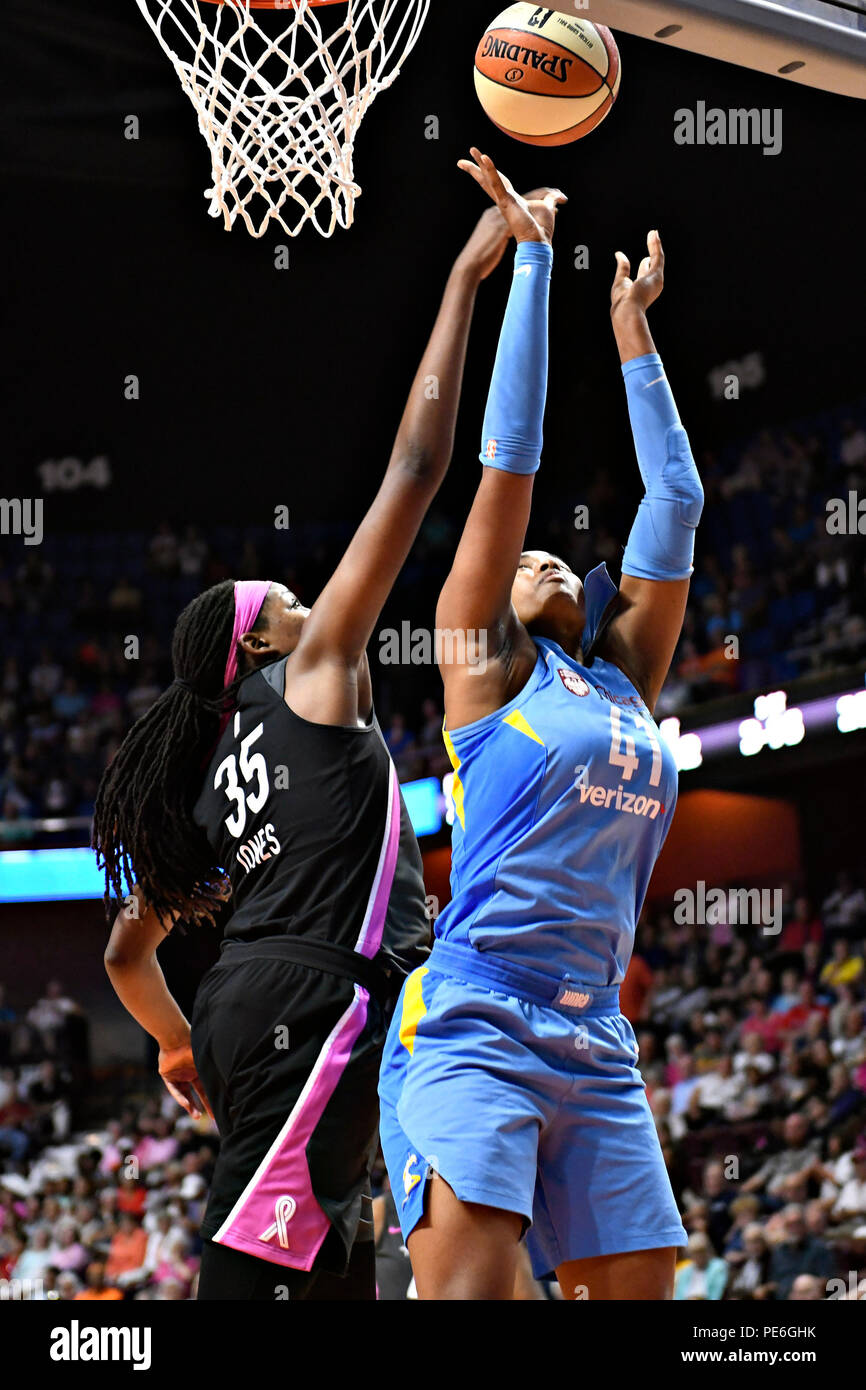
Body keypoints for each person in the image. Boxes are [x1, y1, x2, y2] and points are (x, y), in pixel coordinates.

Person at [93, 192, 548, 1302]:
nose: (313, 606)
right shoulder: (311, 672)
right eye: (290, 602)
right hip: (320, 1006)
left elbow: (123, 954)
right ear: (256, 642)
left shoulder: (205, 782)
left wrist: (177, 1045)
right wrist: (465, 279)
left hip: (257, 1007)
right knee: (251, 1267)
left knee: (334, 1270)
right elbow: (415, 470)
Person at [379, 149, 702, 1300]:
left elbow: (676, 500)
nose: (541, 558)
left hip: (595, 1037)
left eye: (554, 558)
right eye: (520, 563)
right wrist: (529, 261)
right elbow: (505, 463)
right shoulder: (481, 665)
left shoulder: (623, 676)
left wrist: (630, 329)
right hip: (476, 1016)